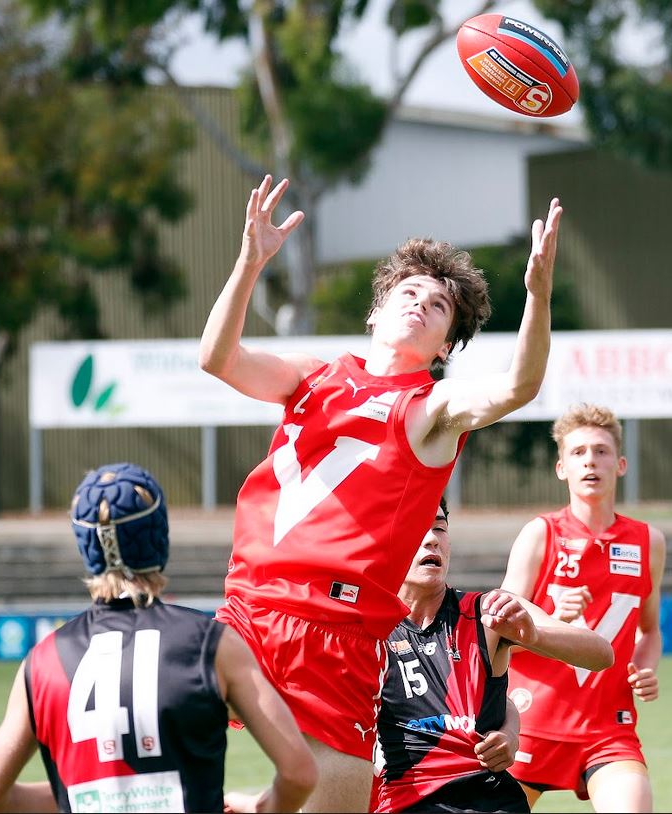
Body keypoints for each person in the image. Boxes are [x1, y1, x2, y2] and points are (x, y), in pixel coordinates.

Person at [200, 175, 563, 812]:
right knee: (156, 733)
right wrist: (248, 262)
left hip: (339, 633)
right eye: (408, 291)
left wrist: (538, 296)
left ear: (447, 345)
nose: (419, 304)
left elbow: (518, 388)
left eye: (439, 306)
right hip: (249, 607)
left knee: (334, 800)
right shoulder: (314, 376)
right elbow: (217, 358)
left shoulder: (432, 407)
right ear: (376, 311)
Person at [0, 462, 317, 813]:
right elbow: (298, 773)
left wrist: (89, 795)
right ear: (158, 536)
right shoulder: (212, 645)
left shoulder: (41, 663)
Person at [373, 497, 614, 814]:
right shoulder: (368, 627)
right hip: (407, 801)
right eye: (418, 527)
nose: (432, 538)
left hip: (492, 801)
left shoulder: (487, 611)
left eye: (439, 527)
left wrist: (537, 636)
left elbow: (601, 654)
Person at [500, 404, 667, 812]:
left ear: (621, 464)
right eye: (578, 453)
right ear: (562, 468)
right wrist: (552, 620)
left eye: (601, 450)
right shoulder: (540, 534)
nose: (590, 460)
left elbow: (650, 630)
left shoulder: (649, 542)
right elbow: (493, 635)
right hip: (529, 725)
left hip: (609, 730)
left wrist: (645, 669)